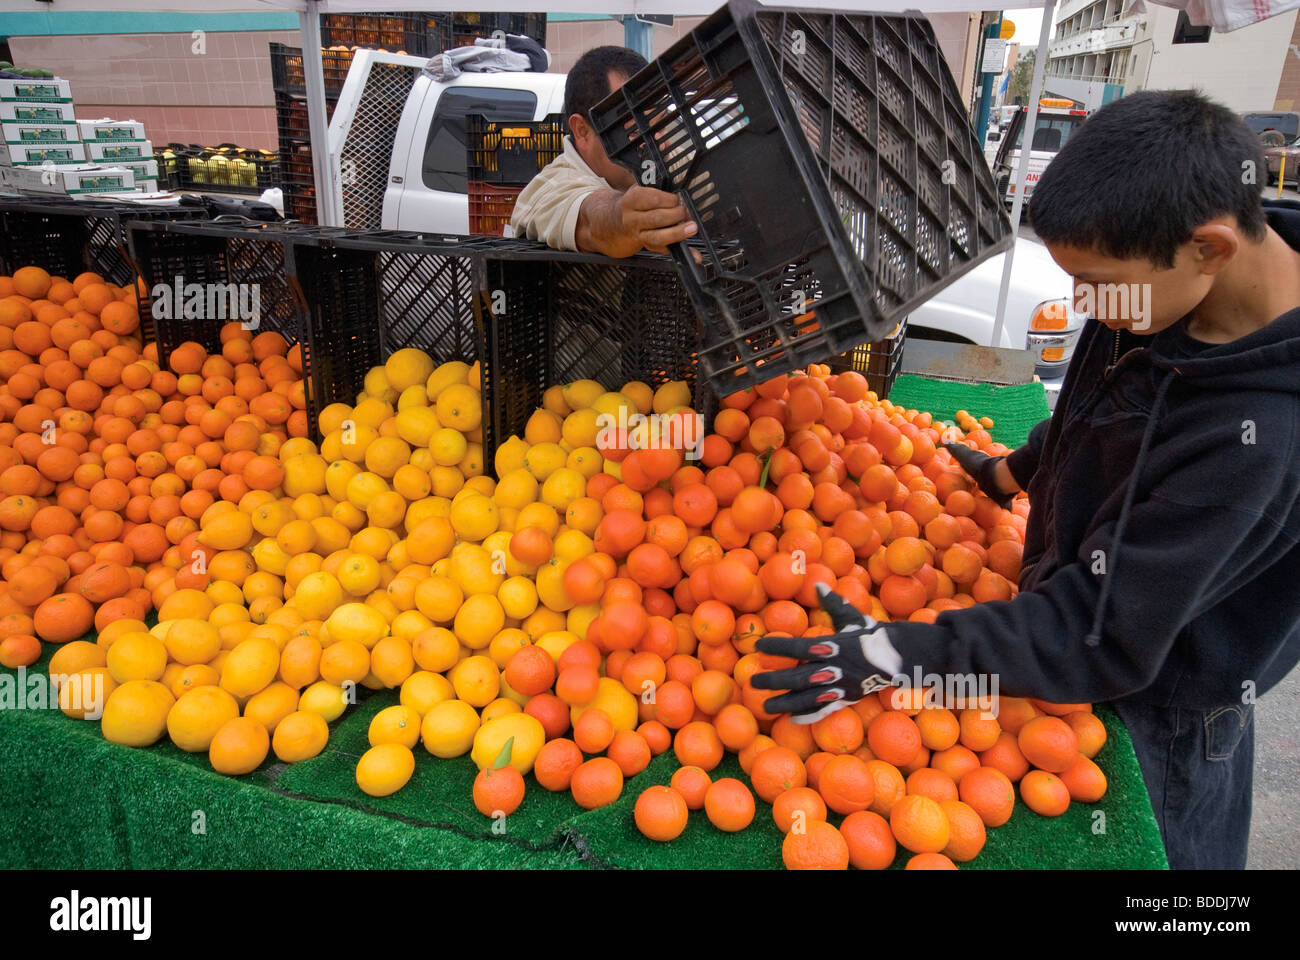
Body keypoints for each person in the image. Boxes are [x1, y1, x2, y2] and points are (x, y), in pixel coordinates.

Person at [754, 90, 1300, 870]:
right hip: (1062, 642)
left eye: (1098, 284)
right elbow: (1103, 409)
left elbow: (1100, 632)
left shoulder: (1266, 439)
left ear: (1211, 248)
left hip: (1165, 710)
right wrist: (1016, 469)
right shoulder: (1162, 287)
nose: (1083, 305)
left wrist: (896, 653)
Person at [509, 45, 696, 257]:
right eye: (636, 131)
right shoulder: (547, 192)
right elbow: (591, 219)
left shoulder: (671, 161)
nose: (658, 143)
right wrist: (624, 217)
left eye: (660, 125)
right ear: (582, 131)